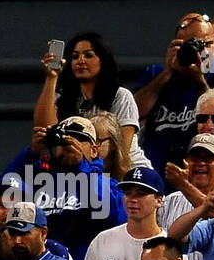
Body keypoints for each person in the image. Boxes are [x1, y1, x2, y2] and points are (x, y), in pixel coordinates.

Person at [0, 116, 123, 260]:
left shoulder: (108, 184)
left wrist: (81, 168)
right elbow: (5, 189)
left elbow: (110, 214)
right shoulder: (39, 178)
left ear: (94, 150)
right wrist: (30, 155)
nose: (69, 145)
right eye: (63, 141)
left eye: (78, 139)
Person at [133, 12, 214, 176]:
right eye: (191, 44)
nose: (201, 50)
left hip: (206, 174)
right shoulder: (155, 74)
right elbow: (134, 114)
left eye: (206, 44)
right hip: (158, 171)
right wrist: (167, 72)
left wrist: (199, 80)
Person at [35, 33, 149, 167]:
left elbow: (121, 151)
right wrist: (51, 77)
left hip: (127, 173)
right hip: (80, 172)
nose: (80, 60)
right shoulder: (63, 98)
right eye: (75, 56)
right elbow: (44, 131)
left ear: (103, 60)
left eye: (88, 55)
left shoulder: (121, 96)